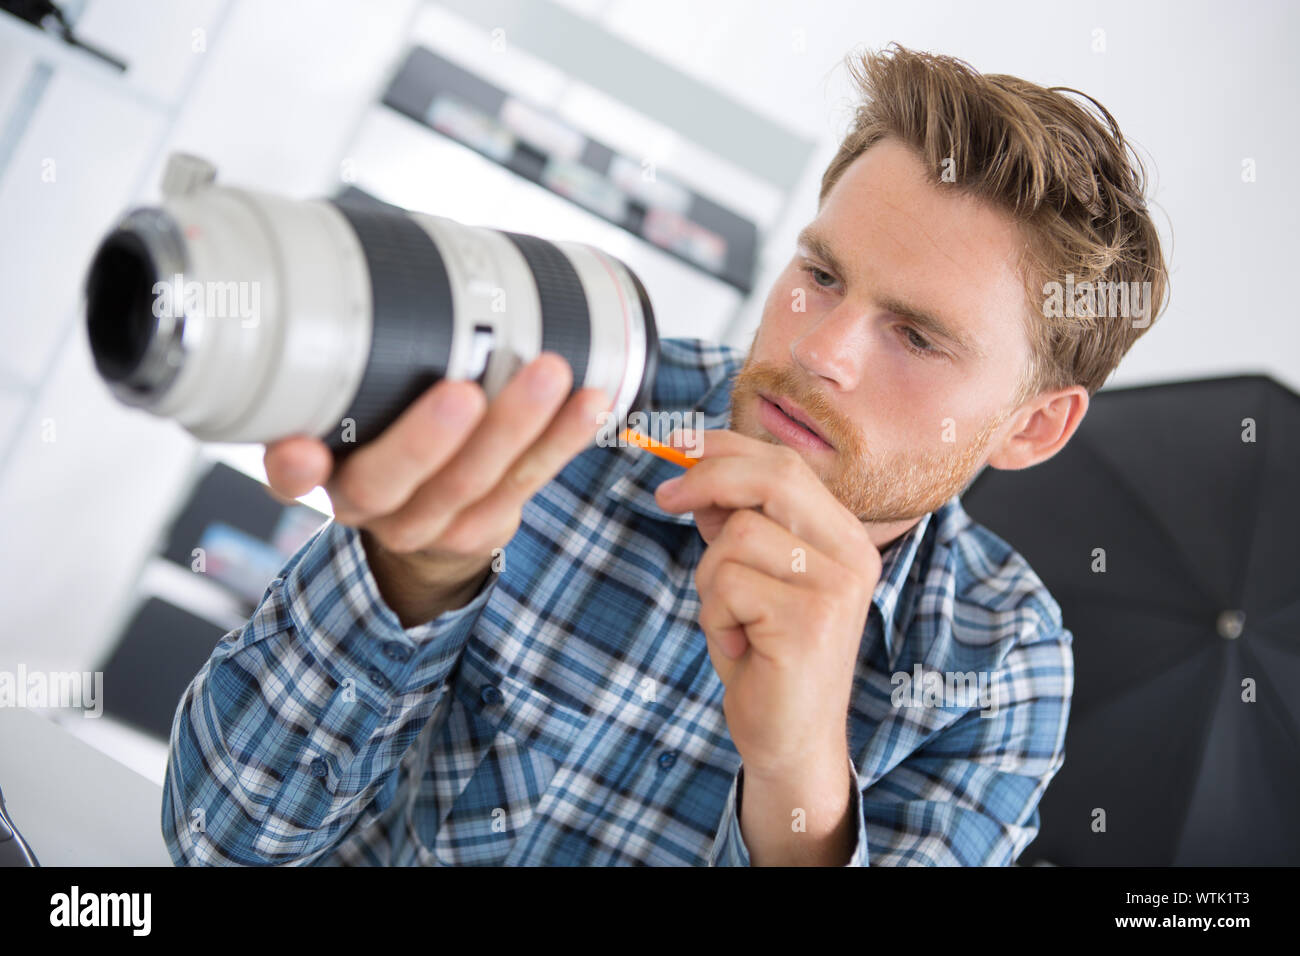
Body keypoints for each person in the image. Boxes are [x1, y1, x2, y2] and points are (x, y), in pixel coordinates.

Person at [162, 42, 1168, 866]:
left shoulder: (999, 664)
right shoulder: (573, 400)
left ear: (1032, 425)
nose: (819, 349)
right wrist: (408, 583)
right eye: (818, 272)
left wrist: (800, 780)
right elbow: (216, 841)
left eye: (916, 336)